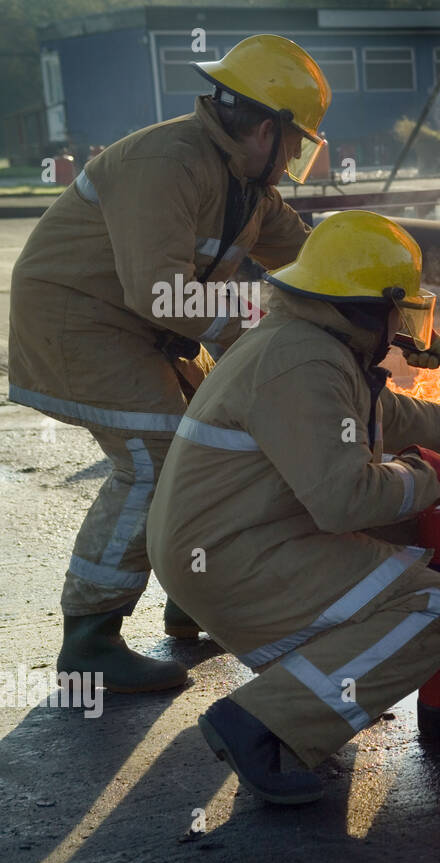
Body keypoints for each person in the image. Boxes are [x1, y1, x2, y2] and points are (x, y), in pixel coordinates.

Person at [146, 210, 440, 804]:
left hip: (237, 538)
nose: (402, 329)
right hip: (231, 558)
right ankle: (260, 723)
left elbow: (404, 419)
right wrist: (431, 476)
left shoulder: (314, 345)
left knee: (407, 530)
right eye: (400, 313)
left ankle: (316, 692)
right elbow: (344, 501)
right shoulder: (306, 365)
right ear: (371, 307)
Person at [7, 35, 333, 692]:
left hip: (135, 331)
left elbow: (313, 264)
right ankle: (90, 639)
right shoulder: (169, 163)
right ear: (266, 129)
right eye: (295, 142)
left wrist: (380, 298)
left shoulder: (244, 186)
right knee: (155, 456)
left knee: (217, 443)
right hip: (79, 324)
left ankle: (193, 599)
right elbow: (161, 293)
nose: (296, 157)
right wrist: (262, 325)